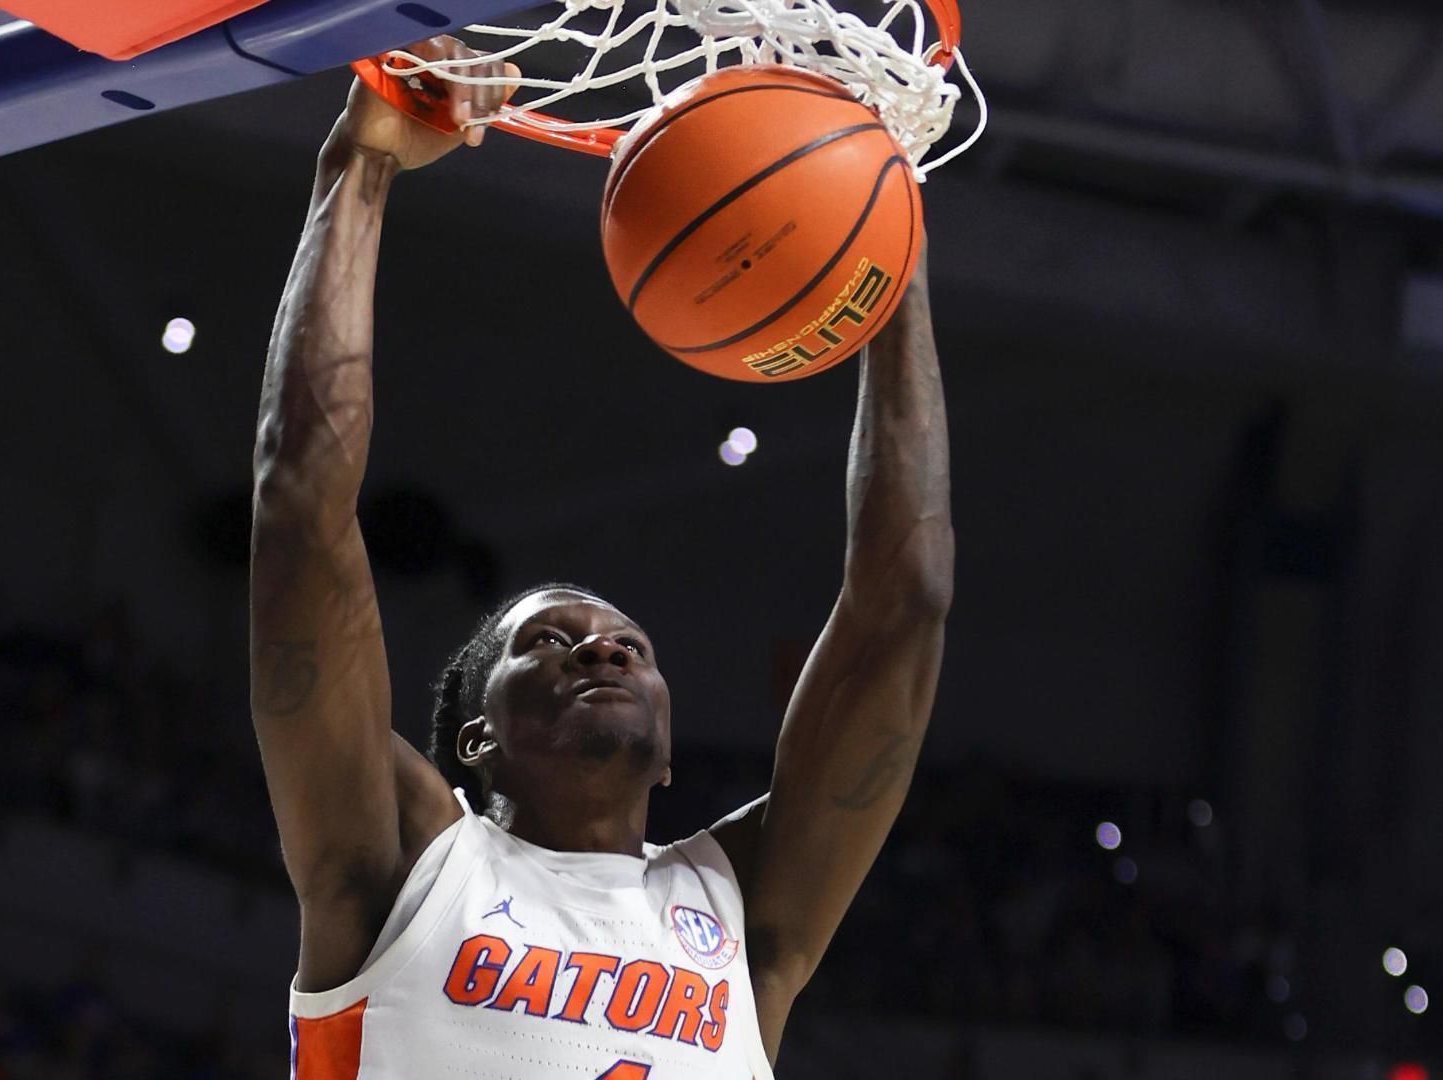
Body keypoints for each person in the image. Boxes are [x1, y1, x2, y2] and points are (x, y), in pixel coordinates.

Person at [249, 36, 954, 1079]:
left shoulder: (744, 917)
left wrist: (889, 255)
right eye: (553, 641)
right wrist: (361, 164)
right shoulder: (404, 861)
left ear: (670, 757)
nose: (606, 651)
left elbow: (907, 606)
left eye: (629, 643)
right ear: (477, 738)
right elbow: (302, 511)